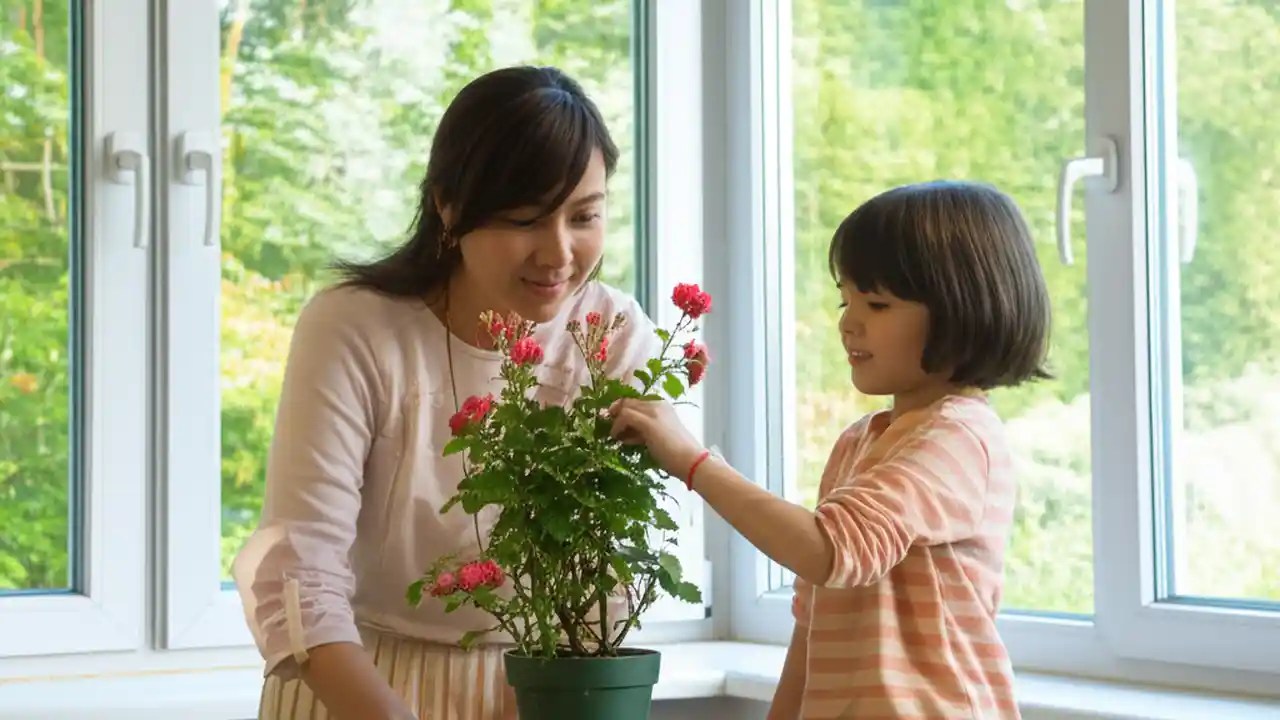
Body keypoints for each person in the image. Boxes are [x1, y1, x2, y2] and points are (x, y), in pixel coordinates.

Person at [232, 65, 661, 720]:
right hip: (354, 682)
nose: (559, 253)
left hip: (544, 688)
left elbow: (620, 569)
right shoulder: (356, 328)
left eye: (585, 216)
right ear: (449, 206)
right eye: (525, 219)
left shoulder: (615, 334)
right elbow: (301, 572)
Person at [609, 180, 1050, 719]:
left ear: (963, 307)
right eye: (846, 299)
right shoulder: (859, 443)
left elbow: (830, 550)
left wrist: (692, 462)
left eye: (878, 303)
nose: (848, 322)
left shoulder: (958, 438)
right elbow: (812, 620)